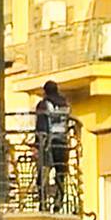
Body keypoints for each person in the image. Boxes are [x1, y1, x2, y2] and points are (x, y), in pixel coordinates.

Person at [35, 80, 71, 212]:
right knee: (60, 173)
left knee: (43, 175)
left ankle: (43, 203)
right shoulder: (65, 104)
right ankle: (58, 201)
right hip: (63, 142)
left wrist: (38, 145)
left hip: (48, 143)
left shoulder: (44, 105)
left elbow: (41, 126)